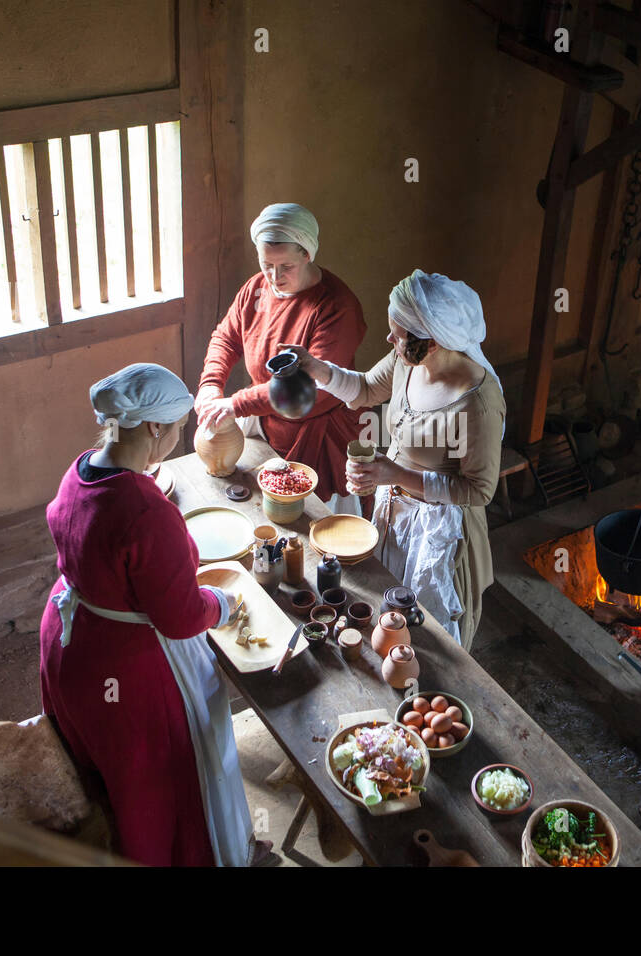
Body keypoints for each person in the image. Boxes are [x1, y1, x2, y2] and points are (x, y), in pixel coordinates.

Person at [38, 362, 265, 866]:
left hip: (69, 642)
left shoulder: (80, 471)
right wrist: (223, 604)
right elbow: (181, 618)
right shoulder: (145, 509)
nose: (180, 437)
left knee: (111, 777)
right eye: (178, 427)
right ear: (154, 428)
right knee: (165, 776)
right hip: (124, 670)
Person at [278, 270, 505, 649]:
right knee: (387, 607)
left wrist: (393, 472)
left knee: (427, 632)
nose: (390, 340)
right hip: (398, 509)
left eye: (397, 335)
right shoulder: (408, 361)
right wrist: (314, 366)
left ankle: (425, 690)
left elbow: (479, 490)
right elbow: (366, 388)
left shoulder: (476, 402)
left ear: (431, 342)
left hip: (439, 529)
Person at [195, 202, 366, 511]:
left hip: (314, 429)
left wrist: (237, 403)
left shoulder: (335, 306)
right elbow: (226, 338)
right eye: (265, 264)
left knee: (313, 523)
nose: (274, 276)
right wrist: (210, 385)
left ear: (307, 254)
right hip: (264, 418)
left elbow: (311, 389)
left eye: (286, 266)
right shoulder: (256, 290)